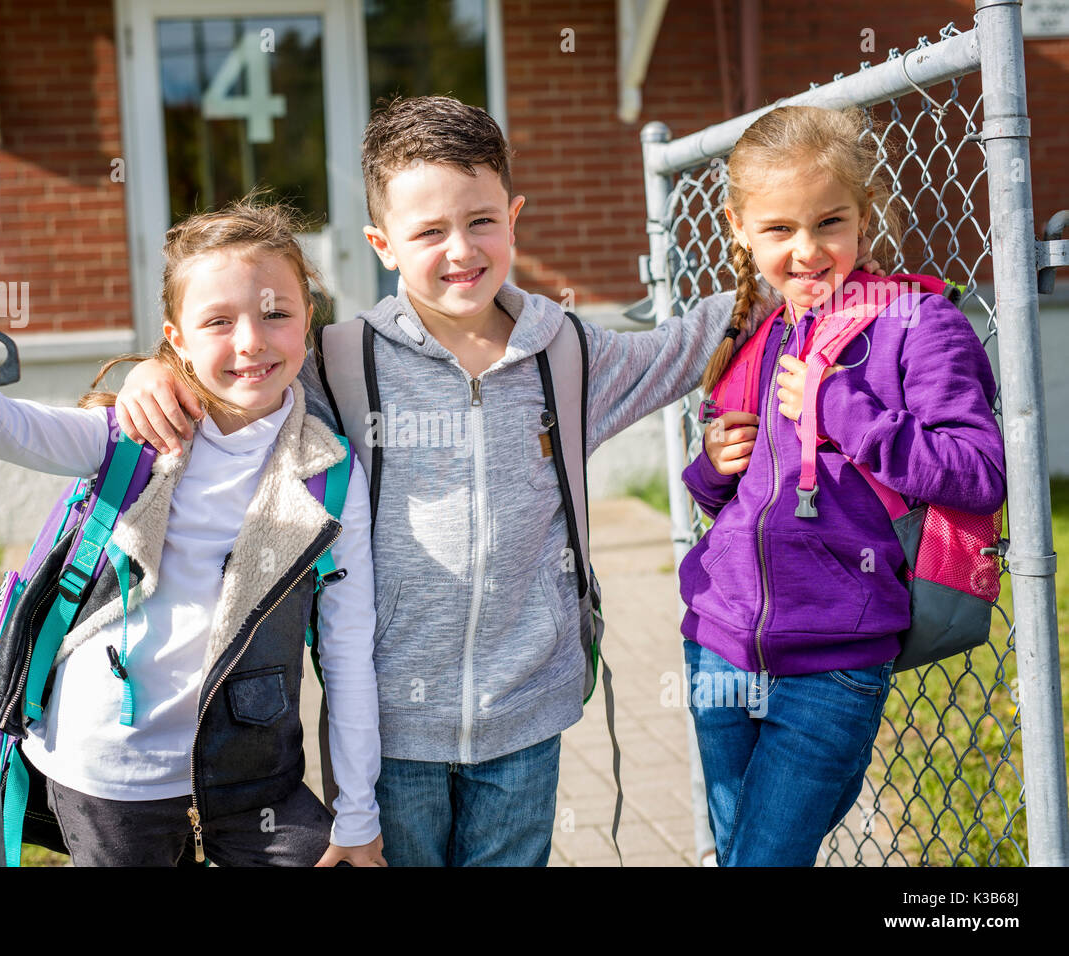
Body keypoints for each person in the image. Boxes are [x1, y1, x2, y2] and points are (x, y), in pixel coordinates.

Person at [114, 95, 742, 866]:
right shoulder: (339, 364)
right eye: (428, 232)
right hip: (386, 731)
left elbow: (685, 345)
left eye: (481, 221)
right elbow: (233, 381)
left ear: (513, 215)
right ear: (383, 244)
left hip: (526, 720)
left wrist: (795, 272)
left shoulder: (569, 355)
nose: (460, 250)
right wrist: (156, 367)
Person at [0, 200, 386, 867]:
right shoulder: (129, 436)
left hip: (251, 779)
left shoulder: (330, 474)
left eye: (276, 313)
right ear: (176, 337)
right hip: (108, 773)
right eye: (218, 321)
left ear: (308, 322)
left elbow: (347, 649)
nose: (251, 341)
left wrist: (358, 813)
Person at [679, 105, 1006, 866]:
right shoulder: (763, 333)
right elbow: (738, 503)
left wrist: (843, 409)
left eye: (829, 222)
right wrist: (709, 468)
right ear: (737, 226)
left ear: (865, 216)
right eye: (779, 230)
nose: (805, 251)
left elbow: (978, 473)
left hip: (834, 660)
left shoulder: (918, 325)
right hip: (719, 648)